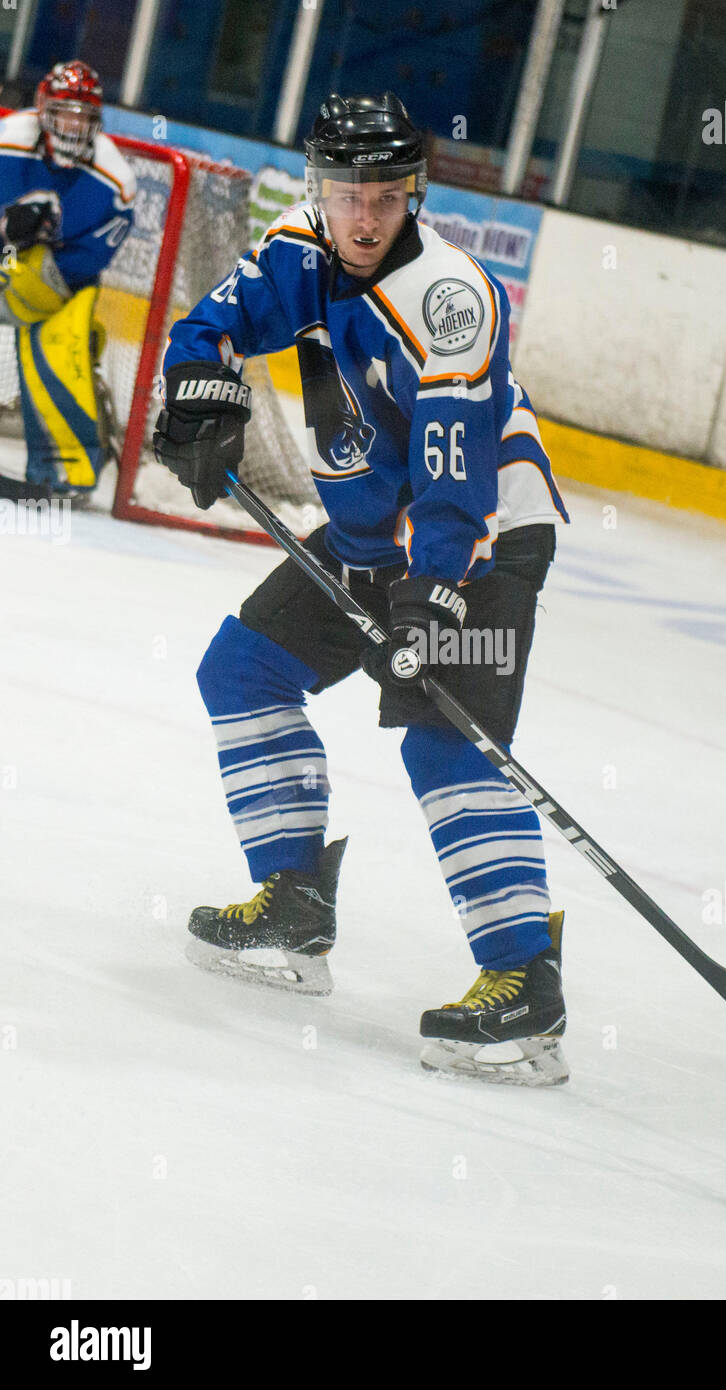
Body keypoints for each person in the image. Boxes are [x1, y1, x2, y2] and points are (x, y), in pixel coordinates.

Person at [154, 93, 571, 1086]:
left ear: (412, 196)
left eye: (386, 196)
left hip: (481, 541)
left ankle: (525, 987)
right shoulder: (297, 251)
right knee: (243, 669)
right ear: (318, 192)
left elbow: (455, 476)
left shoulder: (450, 297)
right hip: (370, 535)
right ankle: (294, 902)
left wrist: (426, 603)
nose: (365, 216)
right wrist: (198, 401)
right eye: (347, 194)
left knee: (445, 736)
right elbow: (204, 330)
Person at [0, 60, 134, 500]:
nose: (74, 126)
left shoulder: (115, 181)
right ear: (43, 109)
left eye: (84, 117)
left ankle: (63, 470)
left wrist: (34, 247)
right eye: (65, 113)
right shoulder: (7, 141)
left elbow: (87, 260)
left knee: (60, 346)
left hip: (54, 284)